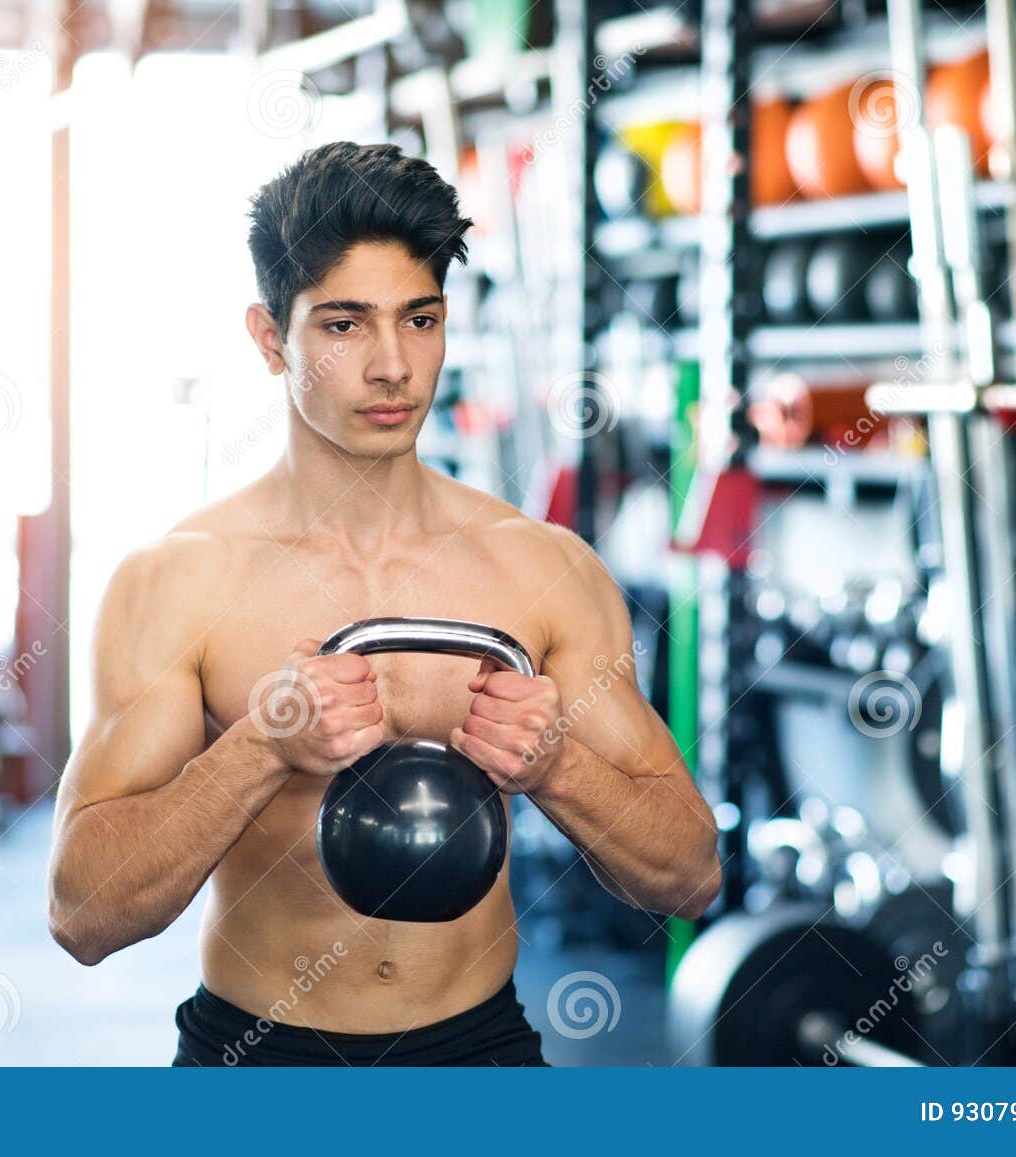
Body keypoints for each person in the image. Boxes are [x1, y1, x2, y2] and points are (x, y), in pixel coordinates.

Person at [46, 141, 720, 1066]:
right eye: (344, 325)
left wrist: (557, 766)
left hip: (475, 1053)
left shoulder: (543, 570)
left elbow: (690, 873)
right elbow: (82, 912)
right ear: (270, 337)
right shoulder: (178, 580)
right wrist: (259, 746)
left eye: (420, 318)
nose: (395, 366)